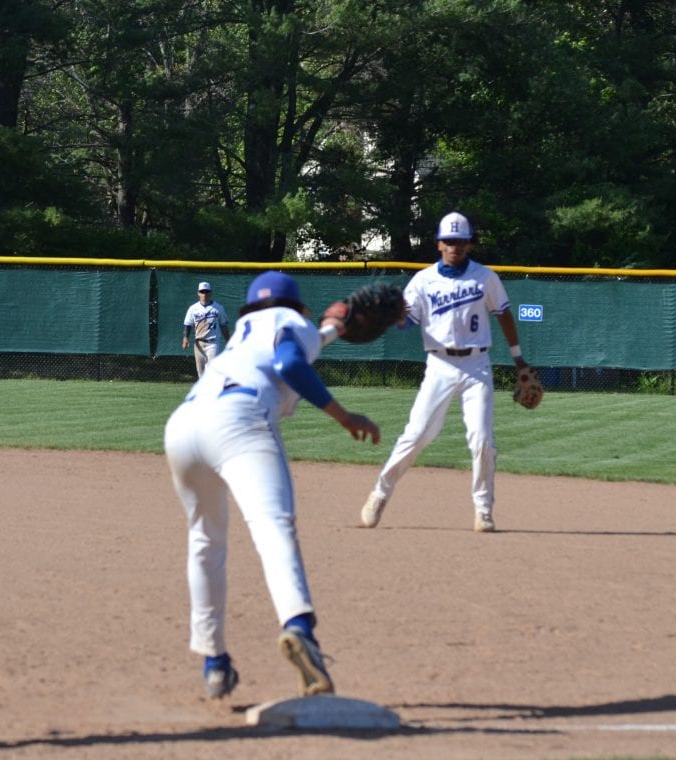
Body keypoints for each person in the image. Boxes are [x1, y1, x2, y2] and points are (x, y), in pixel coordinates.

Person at [164, 271, 381, 699]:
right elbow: (290, 361)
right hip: (241, 420)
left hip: (183, 425)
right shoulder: (291, 322)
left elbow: (303, 342)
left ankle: (215, 661)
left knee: (205, 541)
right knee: (272, 527)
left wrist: (336, 325)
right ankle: (300, 629)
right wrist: (343, 415)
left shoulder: (245, 331)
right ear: (297, 306)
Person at [359, 211, 528, 533]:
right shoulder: (423, 280)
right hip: (440, 365)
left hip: (477, 365)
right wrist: (393, 317)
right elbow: (408, 321)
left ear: (469, 245)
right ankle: (379, 494)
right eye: (449, 241)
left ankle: (483, 509)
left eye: (461, 242)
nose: (455, 247)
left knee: (482, 439)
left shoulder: (485, 277)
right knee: (418, 435)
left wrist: (518, 358)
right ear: (439, 244)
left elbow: (503, 314)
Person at [182, 281, 230, 377]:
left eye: (206, 291)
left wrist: (229, 340)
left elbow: (223, 325)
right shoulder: (193, 308)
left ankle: (214, 391)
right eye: (202, 291)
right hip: (198, 343)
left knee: (212, 371)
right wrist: (185, 338)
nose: (204, 294)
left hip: (213, 343)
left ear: (210, 293)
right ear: (198, 293)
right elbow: (188, 324)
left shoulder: (218, 308)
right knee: (201, 373)